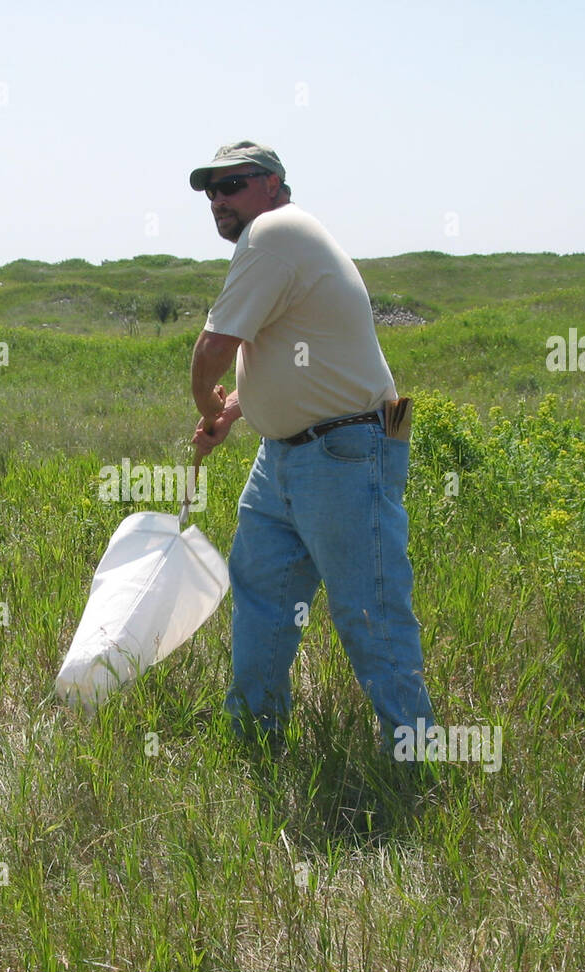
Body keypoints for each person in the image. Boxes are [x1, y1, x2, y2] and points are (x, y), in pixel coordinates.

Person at [187, 139, 434, 753]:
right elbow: (295, 353)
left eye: (232, 184)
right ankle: (253, 735)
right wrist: (238, 411)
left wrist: (205, 399)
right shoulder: (279, 239)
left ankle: (415, 752)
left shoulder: (274, 232)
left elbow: (213, 350)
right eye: (209, 190)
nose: (218, 199)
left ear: (272, 184)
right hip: (286, 456)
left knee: (370, 608)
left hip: (346, 451)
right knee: (262, 596)